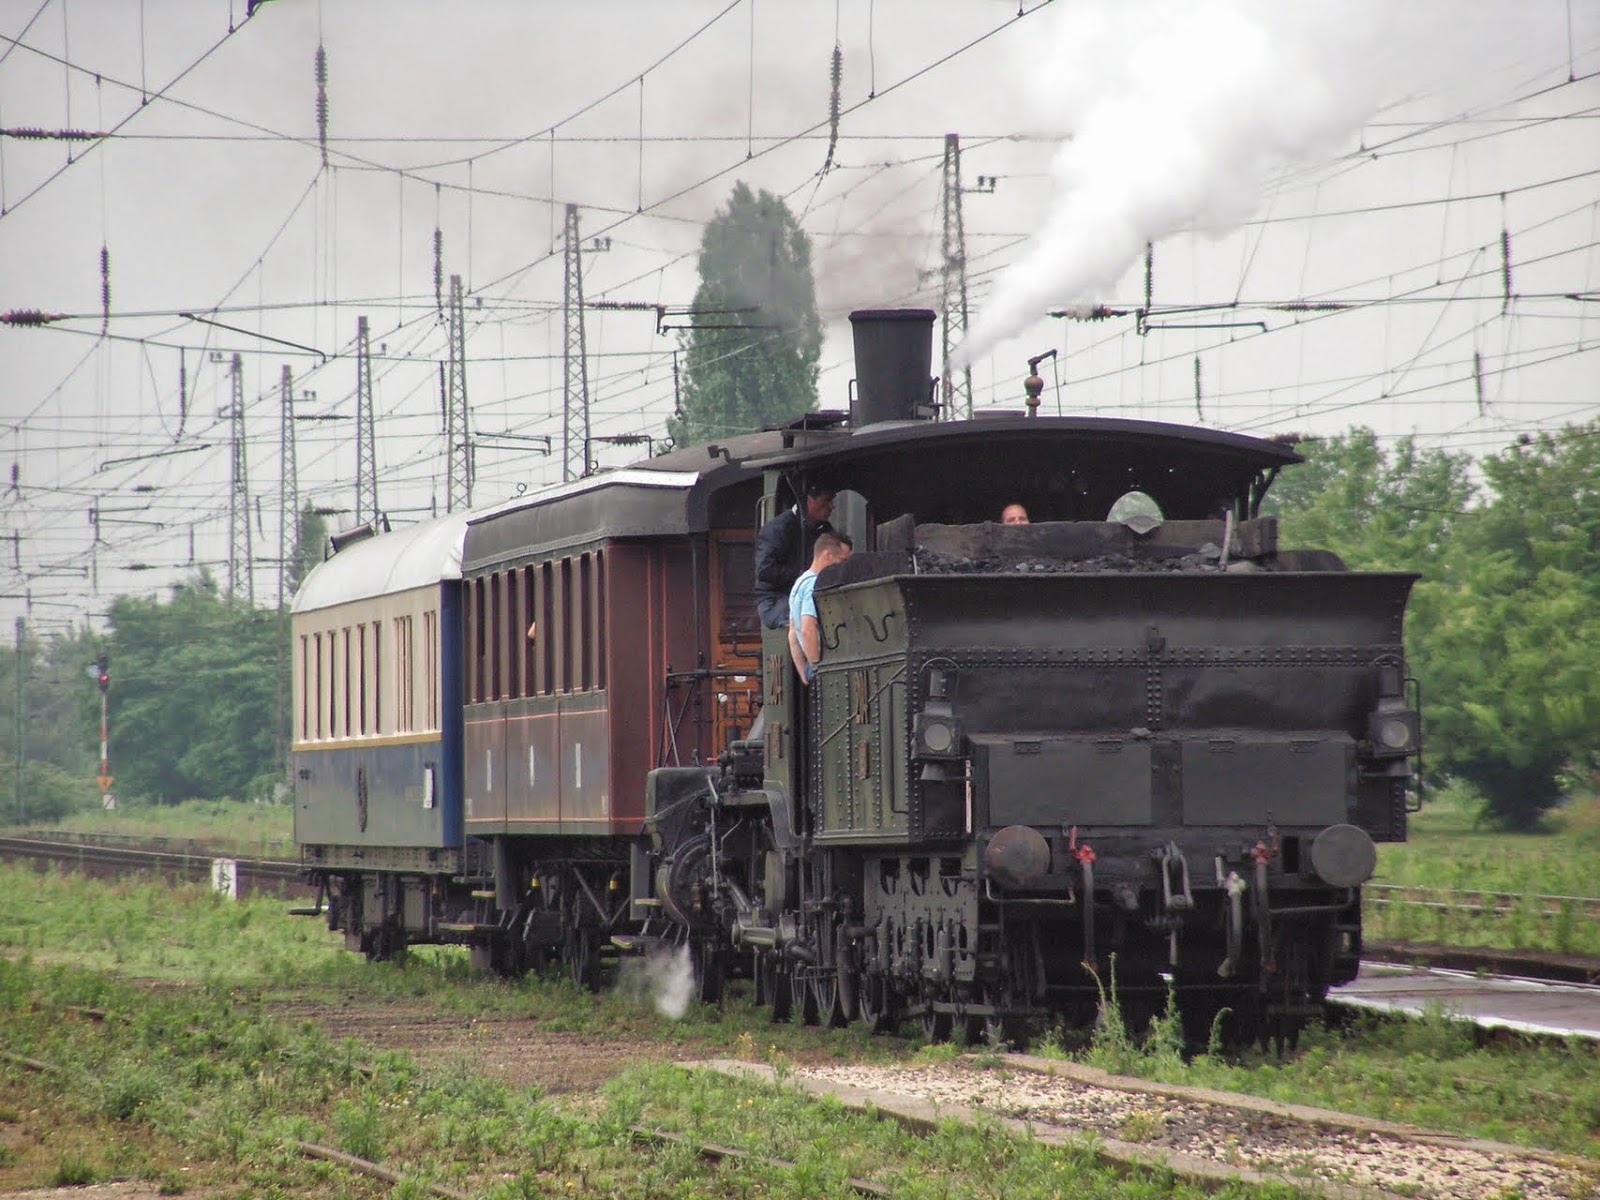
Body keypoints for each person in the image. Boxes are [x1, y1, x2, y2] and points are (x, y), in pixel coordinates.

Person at [755, 480, 835, 628]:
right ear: (808, 500)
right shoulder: (777, 529)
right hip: (776, 599)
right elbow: (764, 570)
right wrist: (804, 576)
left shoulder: (825, 530)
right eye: (825, 501)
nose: (831, 506)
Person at [787, 531, 853, 684]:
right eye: (842, 561)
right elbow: (808, 627)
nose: (843, 567)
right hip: (823, 665)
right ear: (827, 555)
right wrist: (818, 667)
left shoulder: (800, 583)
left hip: (811, 665)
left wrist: (804, 672)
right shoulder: (815, 585)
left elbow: (793, 634)